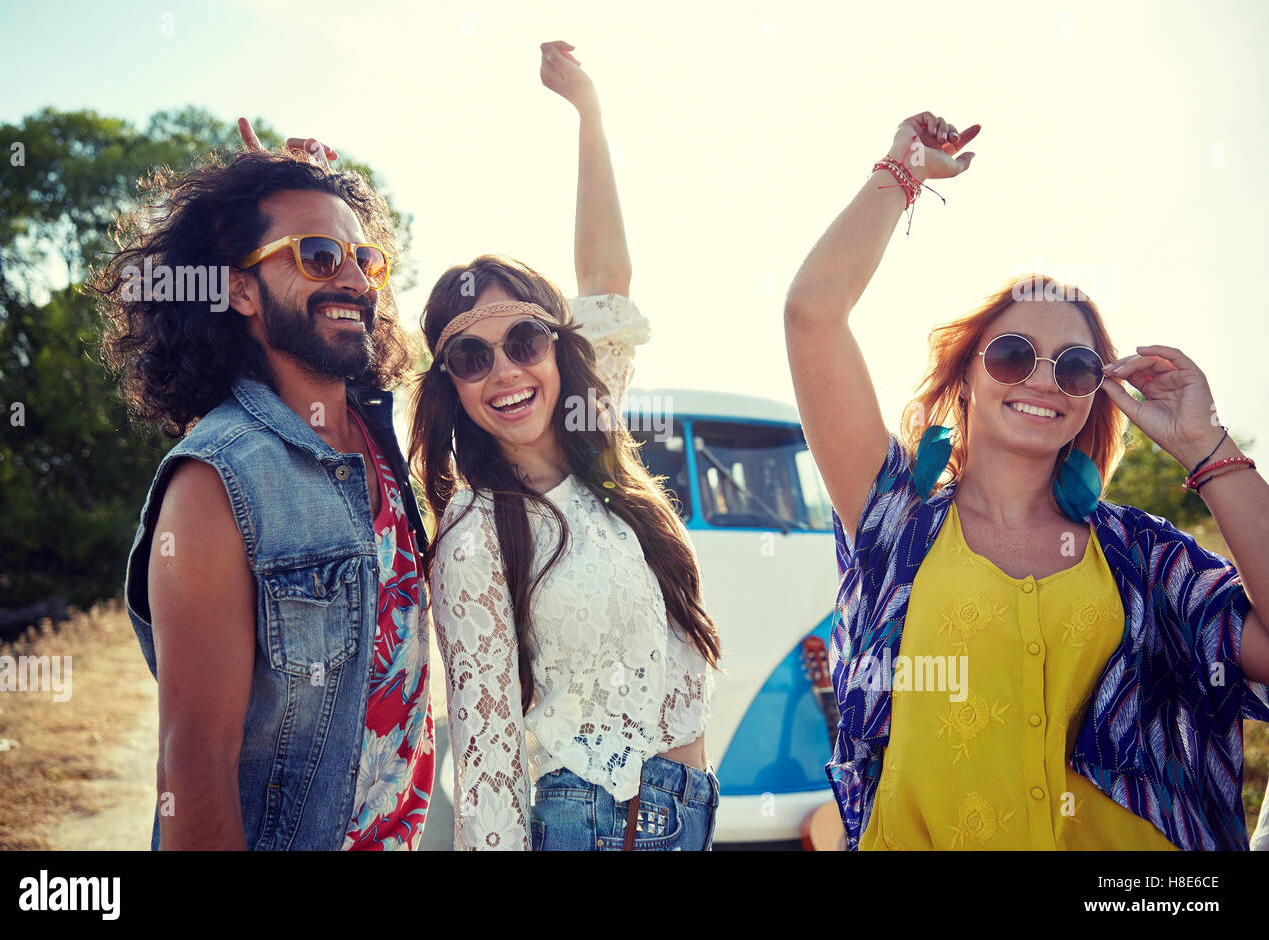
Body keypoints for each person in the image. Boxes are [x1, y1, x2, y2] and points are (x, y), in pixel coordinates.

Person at [784, 111, 1269, 850]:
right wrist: (902, 170)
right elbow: (812, 314)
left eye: (1074, 366)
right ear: (968, 374)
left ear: (1093, 399)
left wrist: (1208, 447)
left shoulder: (1141, 555)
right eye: (1013, 354)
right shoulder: (893, 519)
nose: (1043, 378)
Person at [412, 42, 722, 851]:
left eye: (523, 341)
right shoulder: (475, 537)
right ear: (450, 384)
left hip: (682, 818)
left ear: (558, 347)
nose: (504, 372)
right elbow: (485, 760)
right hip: (590, 830)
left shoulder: (596, 439)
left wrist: (589, 112)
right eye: (470, 358)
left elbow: (608, 280)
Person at [92, 129, 434, 850]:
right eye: (316, 256)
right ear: (241, 289)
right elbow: (196, 765)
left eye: (364, 261)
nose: (353, 281)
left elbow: (355, 310)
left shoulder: (382, 442)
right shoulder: (217, 480)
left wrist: (323, 181)